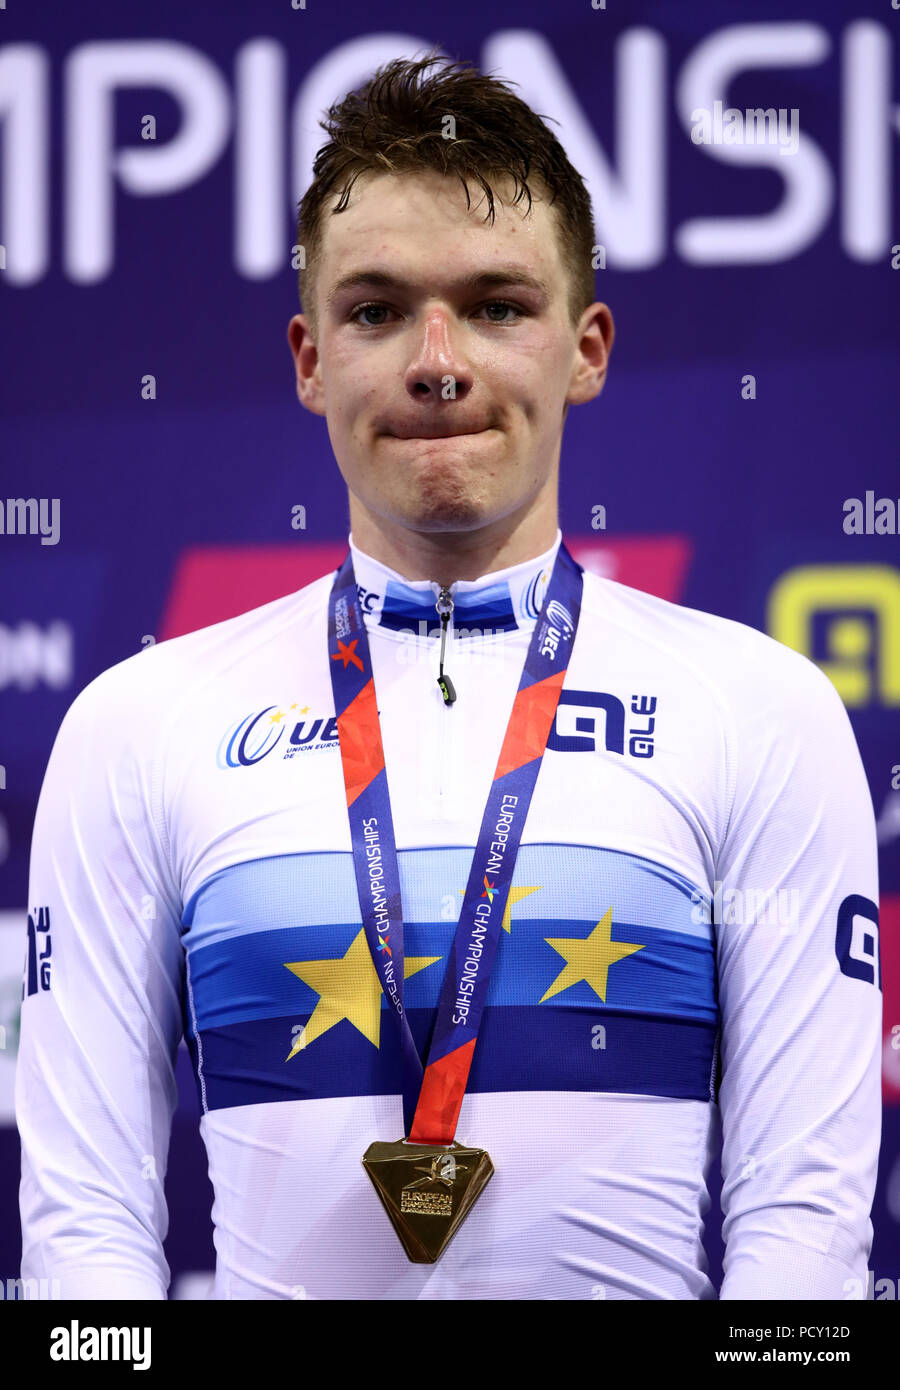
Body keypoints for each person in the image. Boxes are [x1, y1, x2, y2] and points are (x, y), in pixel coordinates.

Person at [17, 53, 881, 1301]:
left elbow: (802, 1238)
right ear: (311, 359)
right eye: (377, 311)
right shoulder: (140, 723)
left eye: (495, 305)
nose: (437, 361)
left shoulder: (762, 709)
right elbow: (81, 1243)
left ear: (585, 348)